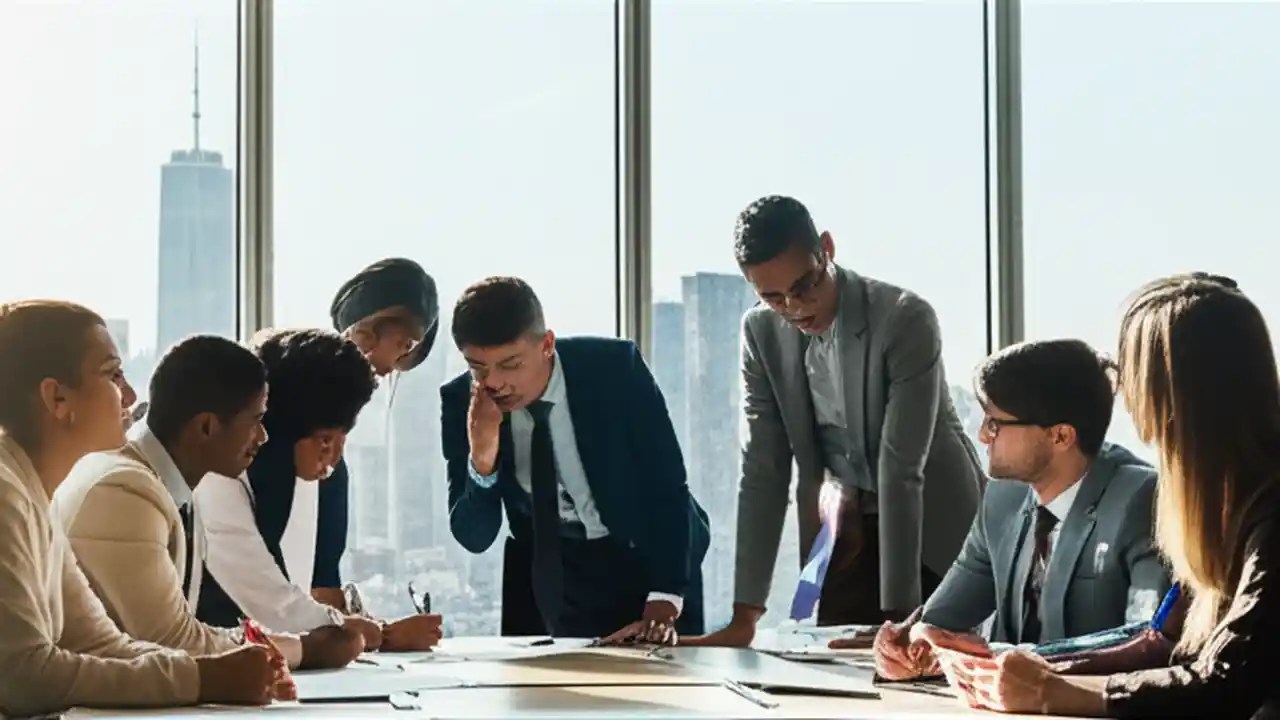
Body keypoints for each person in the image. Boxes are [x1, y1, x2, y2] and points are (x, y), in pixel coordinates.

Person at [933, 274, 1280, 718]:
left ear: (1178, 393)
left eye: (1134, 371)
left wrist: (1057, 693)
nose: (1126, 396)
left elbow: (1227, 682)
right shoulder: (1225, 502)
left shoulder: (1268, 512)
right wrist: (1012, 666)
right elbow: (1163, 642)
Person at [693, 195, 985, 647]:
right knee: (833, 660)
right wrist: (743, 617)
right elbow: (764, 468)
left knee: (921, 673)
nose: (794, 307)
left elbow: (901, 468)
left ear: (826, 248)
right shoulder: (761, 333)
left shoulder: (905, 318)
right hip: (849, 523)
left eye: (805, 285)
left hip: (931, 518)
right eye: (772, 297)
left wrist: (897, 623)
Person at [0, 300, 290, 716]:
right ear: (58, 397)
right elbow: (22, 676)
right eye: (112, 374)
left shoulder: (34, 494)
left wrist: (209, 671)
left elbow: (100, 643)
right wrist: (202, 679)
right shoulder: (6, 495)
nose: (132, 395)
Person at [53, 335, 364, 671]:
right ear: (206, 427)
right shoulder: (122, 491)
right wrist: (303, 649)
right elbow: (172, 641)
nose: (263, 437)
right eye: (255, 421)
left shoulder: (172, 486)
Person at [869, 339, 1170, 680]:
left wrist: (1001, 656)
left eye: (995, 423)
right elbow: (942, 621)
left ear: (1060, 436)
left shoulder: (1141, 499)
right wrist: (908, 645)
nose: (983, 435)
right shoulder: (1002, 499)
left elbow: (1147, 640)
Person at [442, 276, 710, 641]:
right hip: (552, 576)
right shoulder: (465, 403)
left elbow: (668, 487)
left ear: (546, 345)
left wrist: (664, 599)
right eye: (479, 367)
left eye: (511, 364)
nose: (494, 383)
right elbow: (474, 537)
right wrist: (483, 457)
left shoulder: (616, 369)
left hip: (649, 559)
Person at [195, 328, 442, 651]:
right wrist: (380, 634)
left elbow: (297, 594)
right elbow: (277, 609)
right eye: (333, 436)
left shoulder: (295, 472)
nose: (334, 455)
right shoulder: (218, 477)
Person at [314, 257, 439, 613]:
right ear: (365, 334)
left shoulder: (329, 447)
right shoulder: (316, 449)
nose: (389, 370)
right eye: (404, 345)